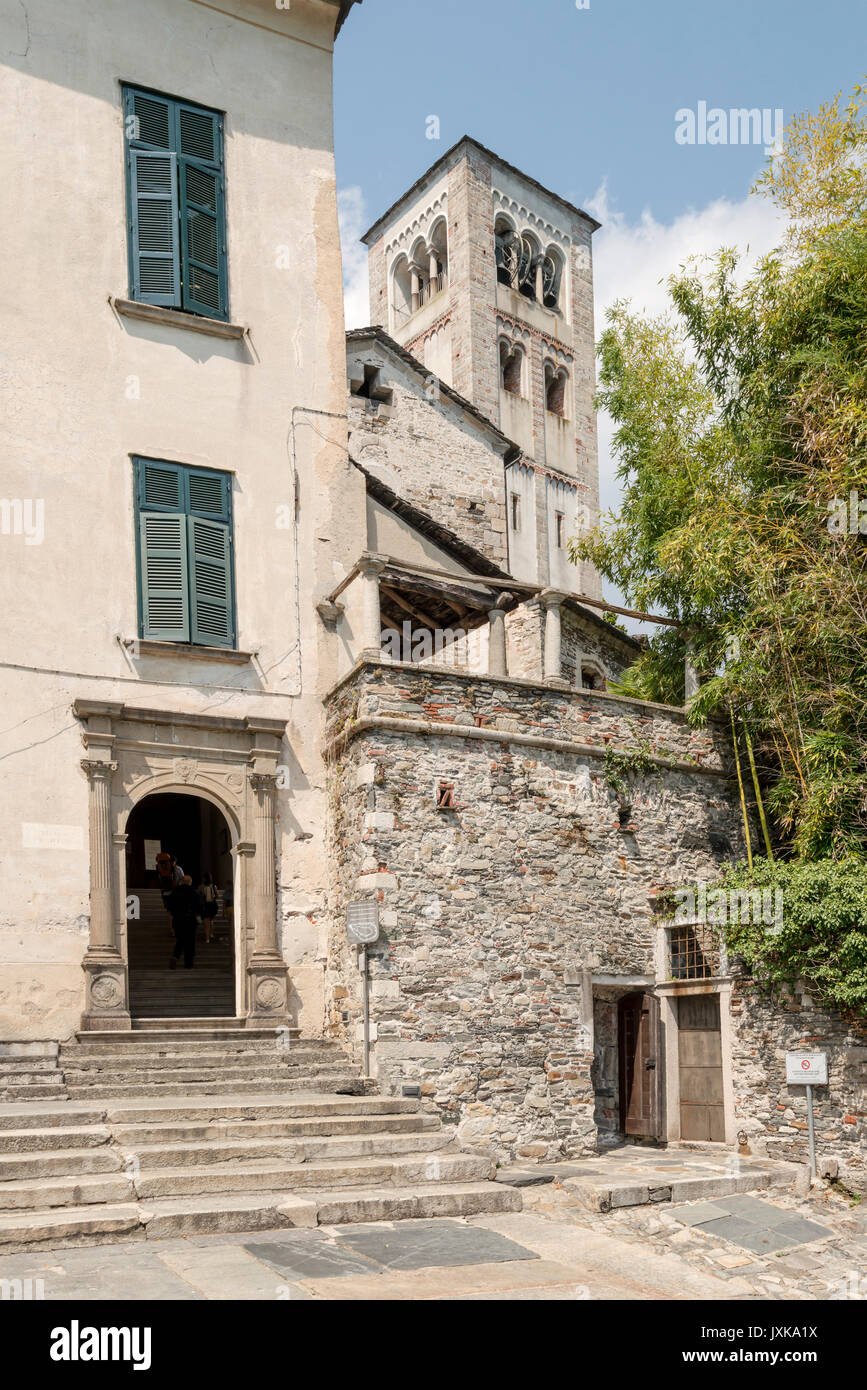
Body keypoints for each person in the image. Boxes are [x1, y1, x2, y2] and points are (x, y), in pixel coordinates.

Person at [165, 875, 204, 970]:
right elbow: (200, 907)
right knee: (190, 942)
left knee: (180, 940)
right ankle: (188, 963)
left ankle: (175, 956)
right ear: (190, 882)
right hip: (190, 920)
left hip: (178, 920)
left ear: (182, 881)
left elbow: (169, 906)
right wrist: (199, 917)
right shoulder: (194, 893)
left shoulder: (175, 892)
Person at [198, 872, 218, 944]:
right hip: (212, 905)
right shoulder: (214, 886)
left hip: (205, 905)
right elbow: (217, 896)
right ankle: (211, 933)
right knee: (211, 920)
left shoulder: (201, 887)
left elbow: (198, 896)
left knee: (206, 922)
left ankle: (207, 939)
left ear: (204, 878)